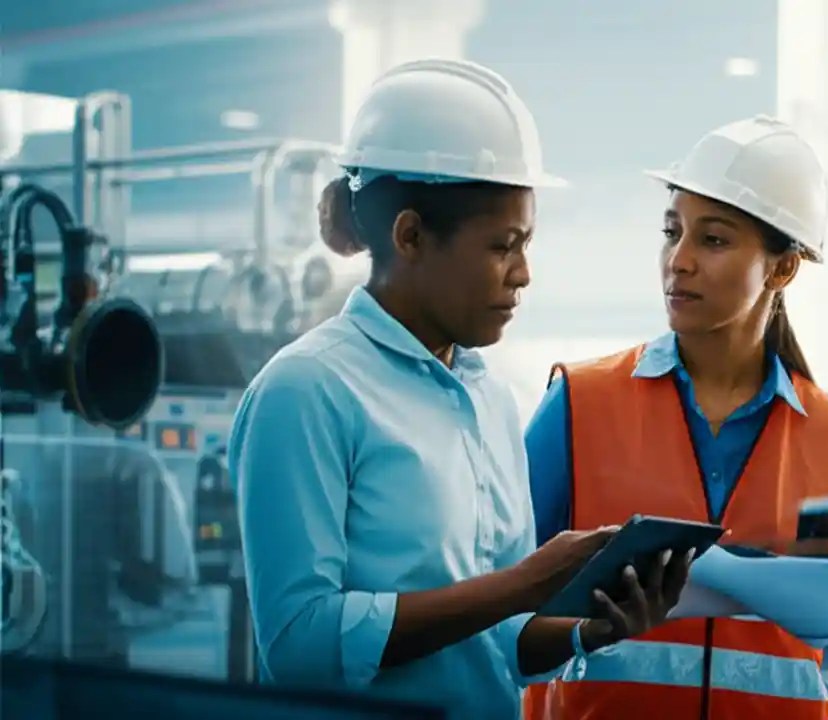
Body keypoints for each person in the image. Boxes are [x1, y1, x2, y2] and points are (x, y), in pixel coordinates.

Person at [229, 59, 691, 720]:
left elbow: (498, 645)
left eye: (527, 244)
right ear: (410, 236)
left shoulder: (489, 398)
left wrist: (595, 627)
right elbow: (299, 646)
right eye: (503, 246)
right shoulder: (307, 391)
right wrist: (520, 584)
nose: (524, 274)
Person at [522, 115, 828, 720]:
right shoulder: (579, 405)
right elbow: (501, 604)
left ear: (782, 268)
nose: (678, 261)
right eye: (672, 232)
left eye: (712, 240)